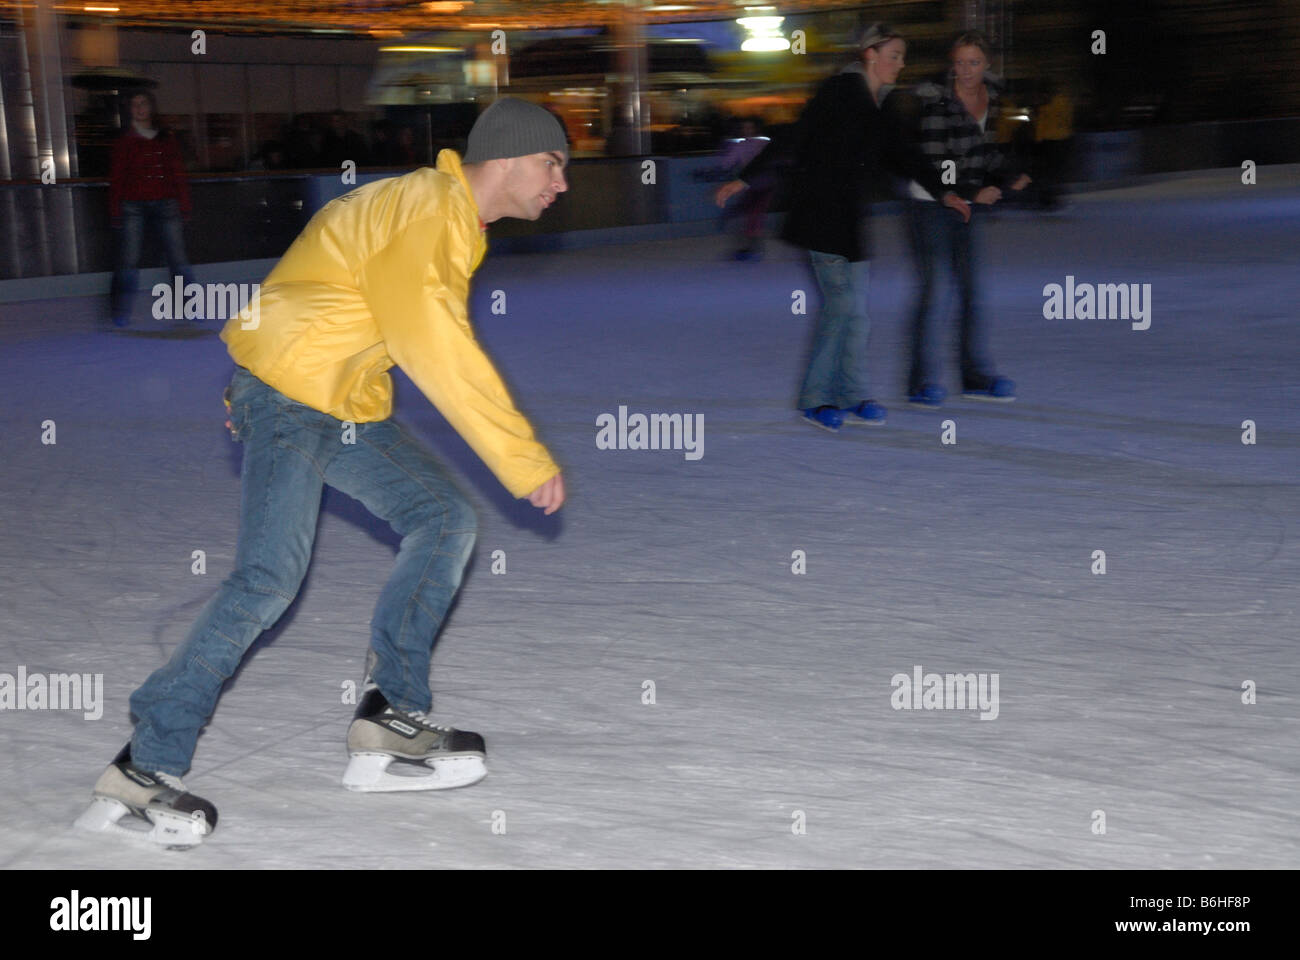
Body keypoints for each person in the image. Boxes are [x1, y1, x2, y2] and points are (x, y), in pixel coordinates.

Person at [75, 97, 570, 848]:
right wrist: (523, 457)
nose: (561, 181)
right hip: (294, 399)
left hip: (334, 402)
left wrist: (253, 369)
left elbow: (315, 276)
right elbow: (436, 344)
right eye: (551, 162)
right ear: (504, 158)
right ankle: (144, 767)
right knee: (268, 579)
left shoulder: (436, 213)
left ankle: (389, 720)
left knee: (444, 518)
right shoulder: (428, 211)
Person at [715, 23, 970, 432]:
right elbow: (794, 137)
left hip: (850, 220)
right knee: (840, 309)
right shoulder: (838, 92)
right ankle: (816, 399)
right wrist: (745, 178)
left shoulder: (880, 105)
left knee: (858, 316)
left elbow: (903, 156)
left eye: (902, 57)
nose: (901, 64)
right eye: (895, 55)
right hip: (818, 216)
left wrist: (945, 193)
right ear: (870, 53)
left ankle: (852, 394)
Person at [899, 31, 1031, 407]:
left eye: (973, 62)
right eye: (959, 63)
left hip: (966, 207)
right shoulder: (938, 102)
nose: (965, 70)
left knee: (973, 292)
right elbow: (939, 163)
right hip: (930, 203)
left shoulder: (992, 97)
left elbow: (984, 153)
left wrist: (1010, 174)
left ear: (987, 64)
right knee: (936, 290)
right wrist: (974, 193)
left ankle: (974, 376)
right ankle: (921, 381)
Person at [107, 91, 196, 328]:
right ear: (130, 110)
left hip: (167, 203)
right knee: (129, 259)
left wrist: (184, 205)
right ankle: (120, 311)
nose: (139, 108)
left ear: (151, 107)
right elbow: (117, 179)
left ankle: (189, 307)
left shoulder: (166, 138)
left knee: (178, 258)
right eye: (134, 104)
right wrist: (115, 210)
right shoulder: (124, 141)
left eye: (143, 103)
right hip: (132, 205)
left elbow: (177, 173)